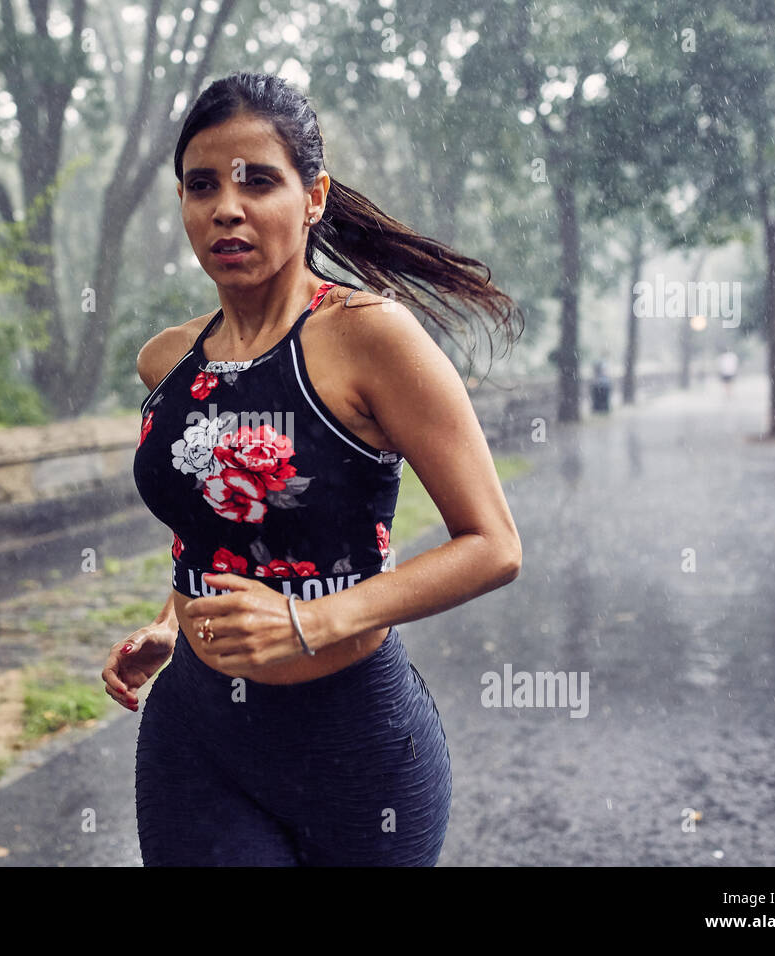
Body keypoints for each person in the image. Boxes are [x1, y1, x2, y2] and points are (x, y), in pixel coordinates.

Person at [102, 72, 524, 866]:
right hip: (197, 742)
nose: (226, 206)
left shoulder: (370, 337)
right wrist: (170, 622)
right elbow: (219, 519)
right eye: (201, 185)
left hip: (355, 752)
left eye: (257, 180)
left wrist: (307, 623)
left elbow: (494, 545)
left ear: (314, 196)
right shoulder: (167, 361)